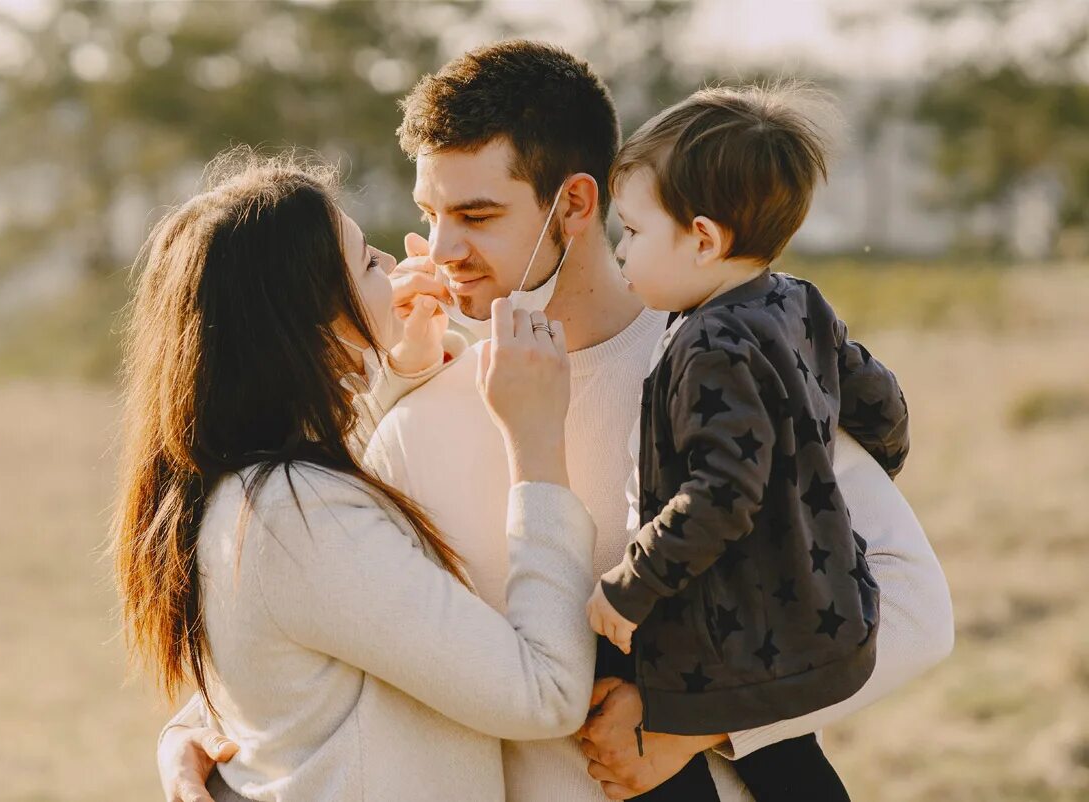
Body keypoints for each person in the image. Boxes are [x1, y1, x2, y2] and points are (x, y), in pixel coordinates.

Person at [158, 42, 954, 802]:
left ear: (574, 203)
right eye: (429, 213)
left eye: (476, 214)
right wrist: (206, 723)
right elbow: (338, 611)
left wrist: (695, 729)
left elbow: (916, 607)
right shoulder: (419, 408)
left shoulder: (723, 363)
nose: (441, 250)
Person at [113, 151, 607, 802]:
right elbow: (544, 694)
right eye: (371, 264)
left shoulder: (244, 482)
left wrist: (394, 362)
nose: (406, 268)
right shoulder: (295, 515)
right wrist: (537, 447)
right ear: (314, 324)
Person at [583, 84, 910, 802]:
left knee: (607, 668)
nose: (620, 248)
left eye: (633, 232)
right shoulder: (799, 302)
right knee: (789, 762)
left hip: (730, 630)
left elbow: (722, 494)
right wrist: (826, 482)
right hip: (813, 618)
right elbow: (881, 404)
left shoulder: (710, 344)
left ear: (704, 239)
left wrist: (632, 581)